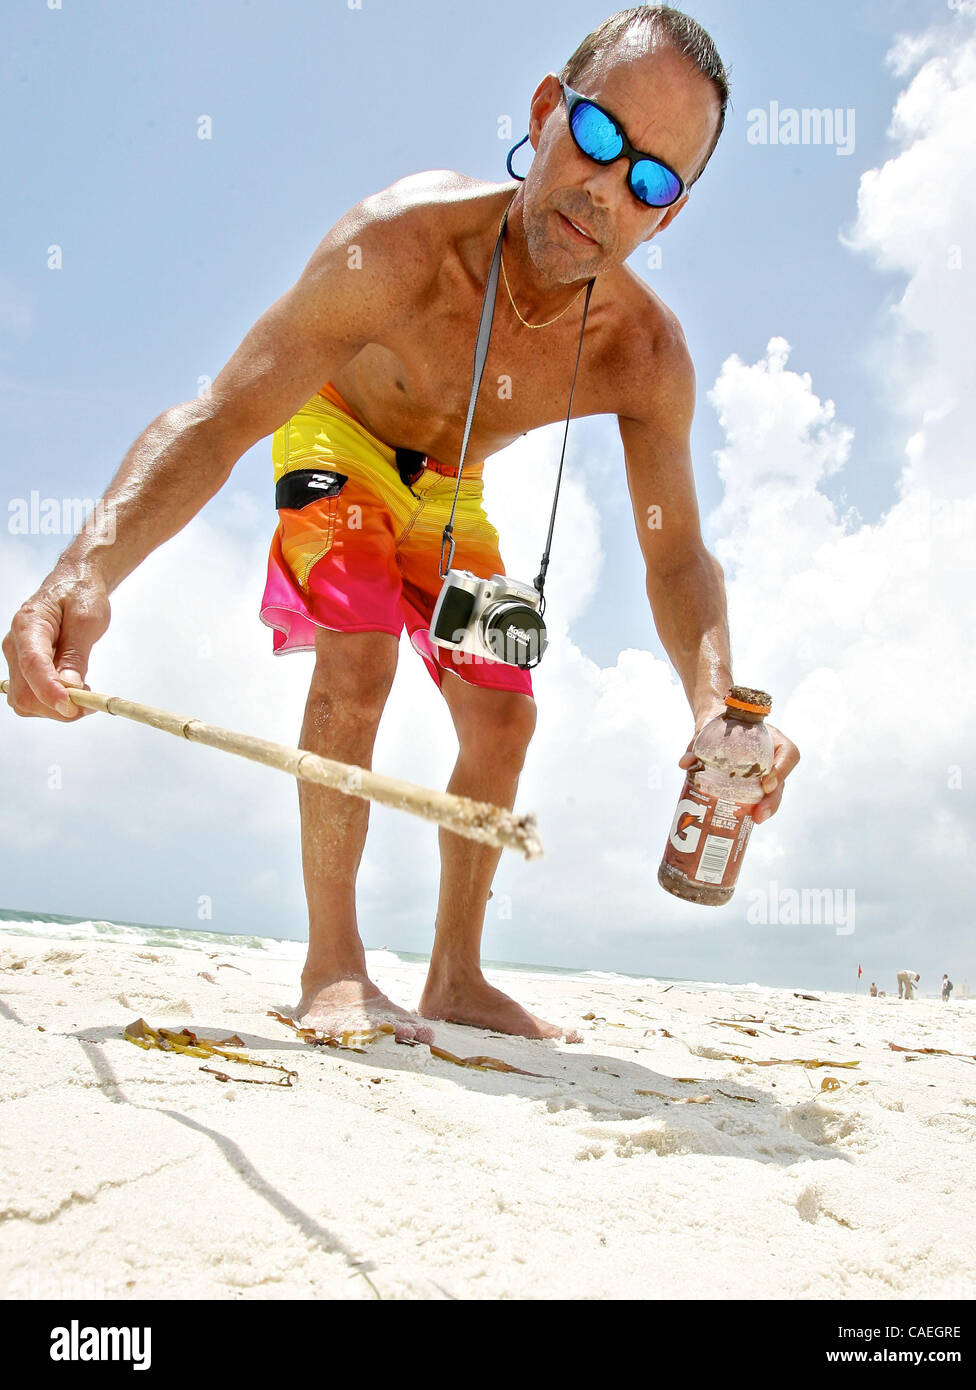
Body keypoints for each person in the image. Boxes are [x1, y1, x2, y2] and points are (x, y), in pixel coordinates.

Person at [3, 7, 800, 1043]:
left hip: (449, 490)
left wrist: (711, 707)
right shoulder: (397, 249)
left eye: (651, 180)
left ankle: (457, 975)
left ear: (670, 217)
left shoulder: (644, 354)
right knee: (360, 657)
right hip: (337, 435)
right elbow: (216, 418)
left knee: (505, 719)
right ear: (548, 111)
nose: (607, 188)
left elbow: (676, 551)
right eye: (600, 137)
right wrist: (82, 571)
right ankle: (331, 962)